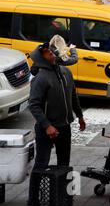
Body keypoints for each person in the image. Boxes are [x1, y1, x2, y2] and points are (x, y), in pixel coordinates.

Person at [28, 42, 86, 170]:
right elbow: (33, 104)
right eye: (46, 52)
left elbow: (73, 96)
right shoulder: (41, 78)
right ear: (41, 58)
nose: (50, 52)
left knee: (64, 163)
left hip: (64, 127)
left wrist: (80, 116)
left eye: (51, 50)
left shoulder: (66, 72)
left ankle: (61, 189)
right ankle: (35, 190)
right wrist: (47, 126)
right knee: (41, 164)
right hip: (46, 129)